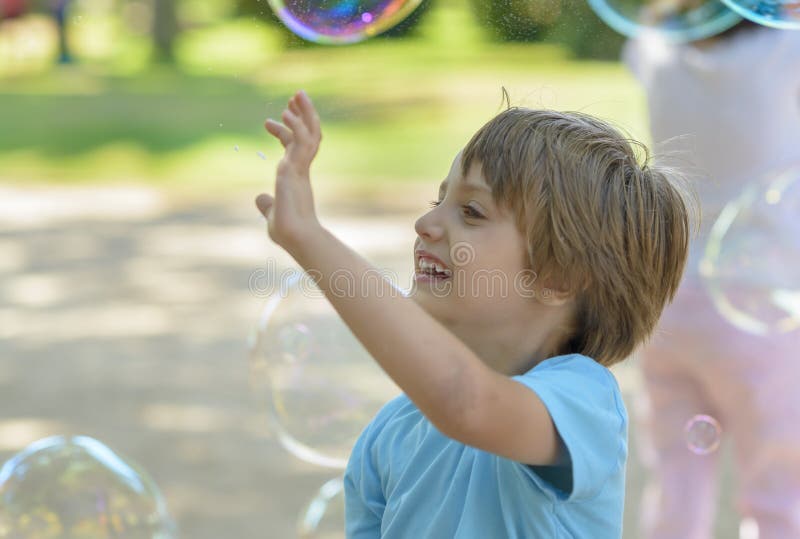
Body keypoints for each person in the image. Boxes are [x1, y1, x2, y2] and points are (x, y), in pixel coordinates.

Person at [254, 90, 695, 537]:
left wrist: (310, 239)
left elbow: (466, 404)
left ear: (558, 276)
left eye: (471, 211)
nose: (425, 225)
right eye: (437, 202)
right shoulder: (391, 432)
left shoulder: (582, 399)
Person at [624, 22, 800, 539]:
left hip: (668, 297)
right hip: (760, 297)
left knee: (676, 475)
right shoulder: (788, 47)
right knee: (779, 485)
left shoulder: (653, 48)